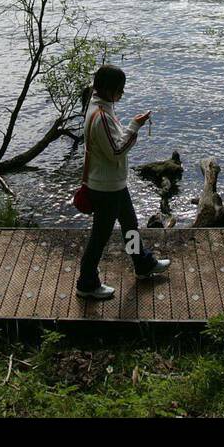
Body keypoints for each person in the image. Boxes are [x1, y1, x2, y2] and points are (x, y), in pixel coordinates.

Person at [75, 64, 170, 300]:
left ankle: (142, 264)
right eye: (120, 90)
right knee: (100, 236)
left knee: (130, 224)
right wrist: (134, 126)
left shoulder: (97, 104)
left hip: (113, 183)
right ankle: (86, 283)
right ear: (108, 90)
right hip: (106, 188)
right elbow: (117, 150)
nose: (122, 94)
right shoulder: (101, 117)